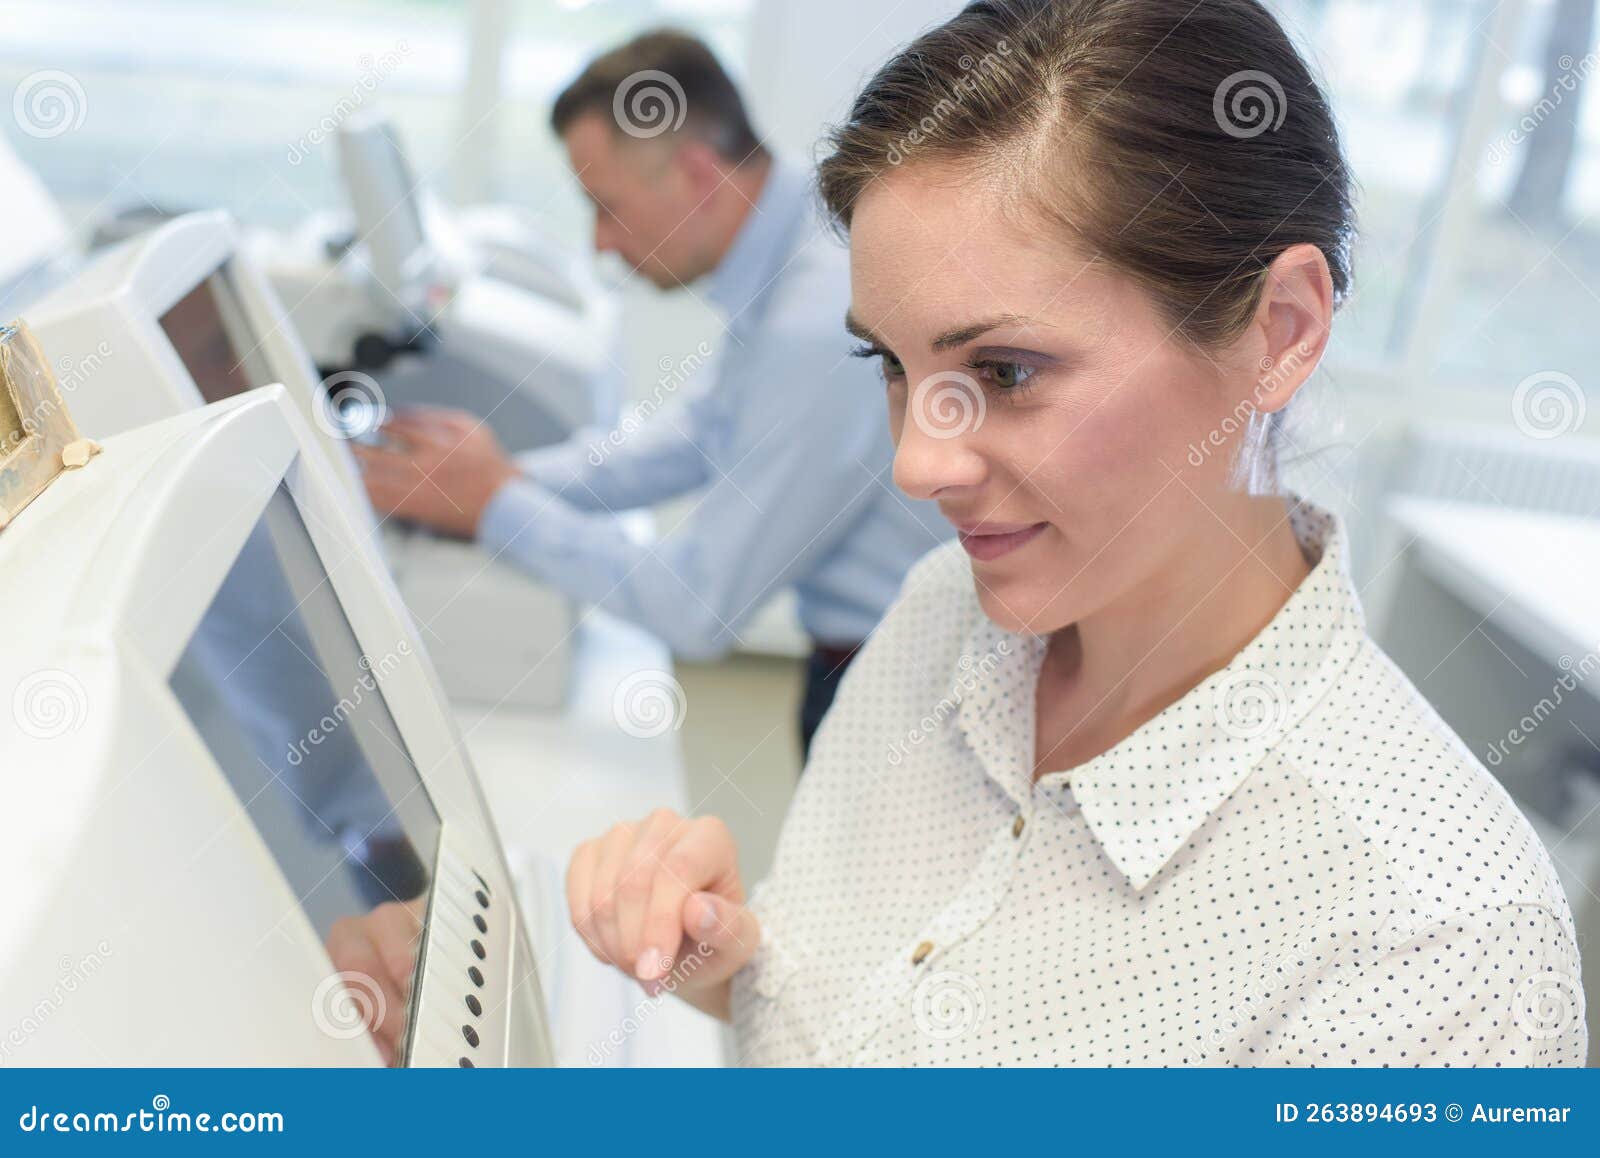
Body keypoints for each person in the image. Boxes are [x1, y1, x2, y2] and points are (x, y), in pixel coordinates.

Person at [563, 0, 1588, 1065]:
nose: (919, 463)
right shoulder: (935, 617)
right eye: (892, 366)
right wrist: (725, 963)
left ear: (1280, 332)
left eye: (1004, 373)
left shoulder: (1439, 948)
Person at [354, 31, 949, 756]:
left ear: (697, 174)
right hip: (874, 669)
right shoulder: (795, 246)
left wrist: (494, 503)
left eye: (606, 206)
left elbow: (701, 605)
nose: (601, 243)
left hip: (899, 704)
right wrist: (485, 480)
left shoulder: (816, 316)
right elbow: (700, 435)